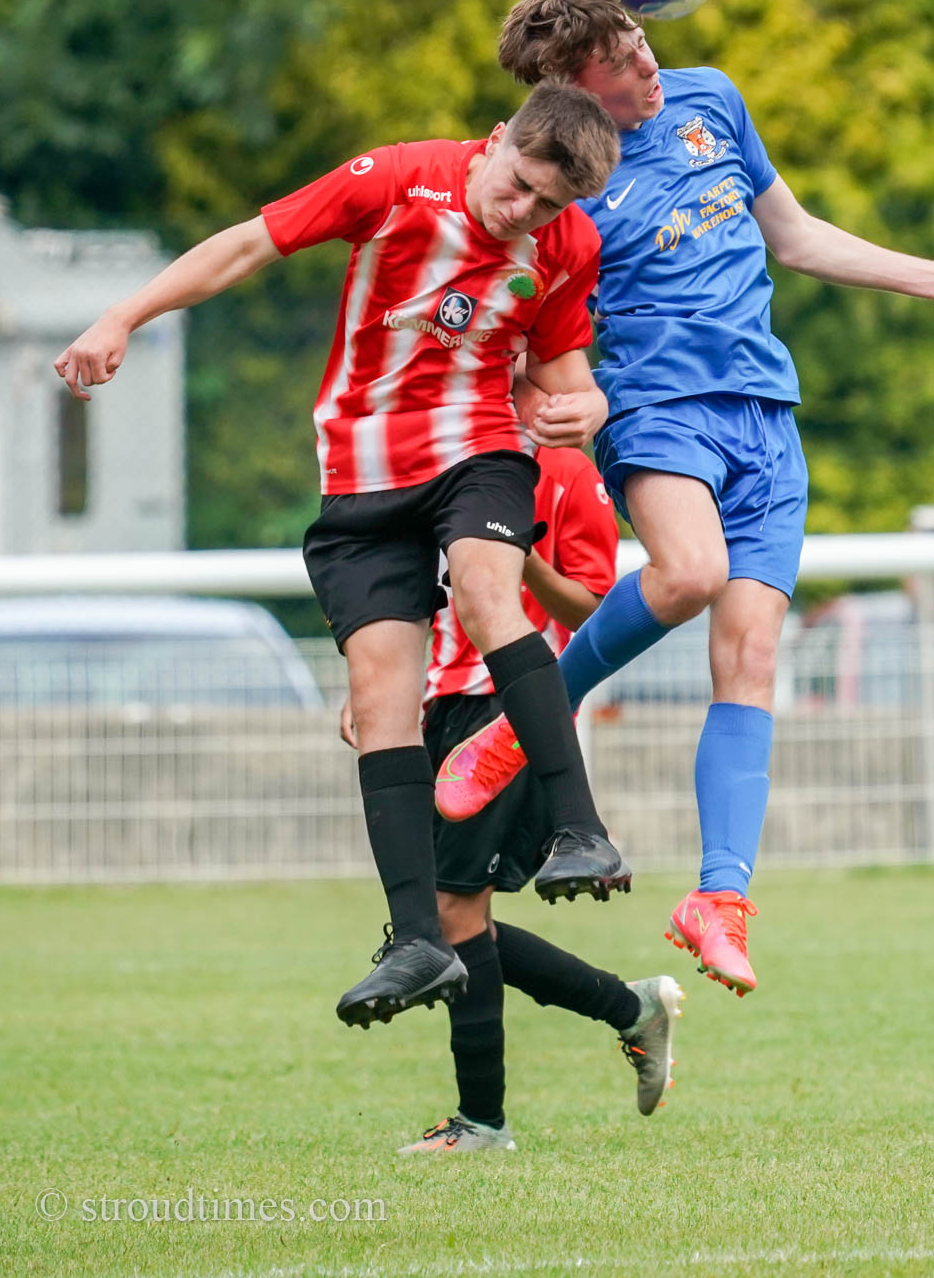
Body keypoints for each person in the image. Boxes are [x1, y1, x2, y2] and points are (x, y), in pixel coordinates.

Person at [438, 0, 934, 997]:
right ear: (570, 90)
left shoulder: (712, 100)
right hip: (659, 409)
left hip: (764, 414)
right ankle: (519, 727)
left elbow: (792, 235)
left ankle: (718, 900)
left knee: (749, 657)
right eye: (619, 68)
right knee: (687, 572)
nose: (647, 69)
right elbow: (512, 318)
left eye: (642, 48)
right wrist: (570, 400)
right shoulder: (560, 184)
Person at [53, 80, 632, 1031]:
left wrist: (591, 407)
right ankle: (416, 940)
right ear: (496, 142)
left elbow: (568, 381)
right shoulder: (398, 181)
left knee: (491, 599)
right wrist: (125, 316)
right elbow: (246, 244)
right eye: (520, 185)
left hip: (479, 449)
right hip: (361, 477)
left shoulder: (567, 246)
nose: (522, 212)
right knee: (377, 694)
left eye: (548, 204)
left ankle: (582, 828)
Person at [341, 441, 683, 1153]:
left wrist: (514, 555)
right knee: (457, 922)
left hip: (506, 709)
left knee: (449, 914)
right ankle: (631, 1007)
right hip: (433, 706)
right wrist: (375, 694)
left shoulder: (561, 470)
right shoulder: (436, 449)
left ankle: (483, 1121)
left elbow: (593, 603)